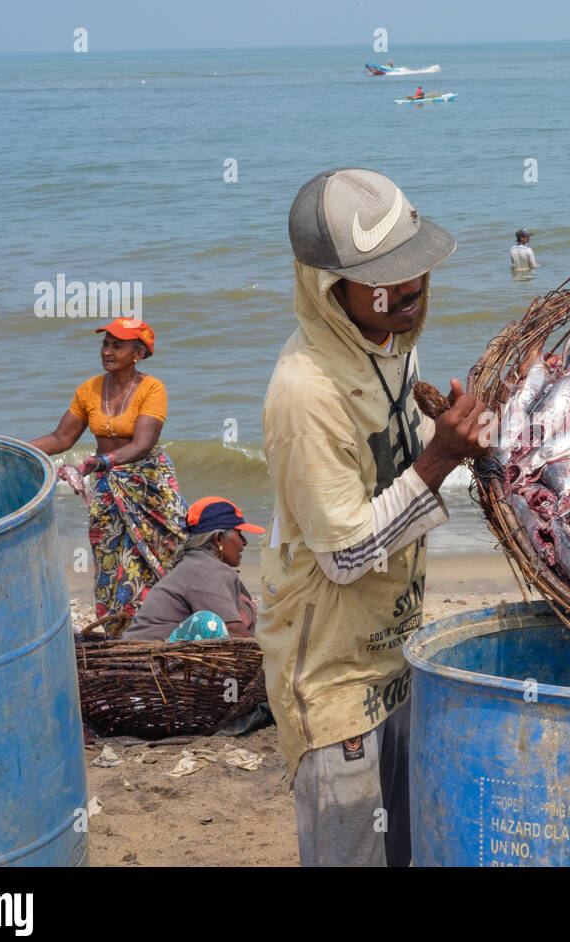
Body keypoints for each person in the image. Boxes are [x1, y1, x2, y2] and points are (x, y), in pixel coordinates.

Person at [259, 168, 489, 867]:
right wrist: (440, 458)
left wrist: (449, 436)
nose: (410, 289)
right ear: (330, 289)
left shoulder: (389, 345)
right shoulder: (306, 392)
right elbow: (346, 554)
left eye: (414, 267)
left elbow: (397, 464)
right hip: (330, 679)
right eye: (385, 276)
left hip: (396, 653)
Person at [30, 317, 186, 626]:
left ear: (138, 353)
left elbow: (143, 443)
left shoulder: (152, 389)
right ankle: (116, 630)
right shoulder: (88, 390)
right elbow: (62, 438)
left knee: (161, 552)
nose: (107, 352)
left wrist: (102, 462)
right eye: (105, 344)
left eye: (117, 346)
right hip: (106, 488)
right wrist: (16, 449)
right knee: (109, 557)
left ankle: (159, 623)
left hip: (148, 485)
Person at [122, 497, 262, 642]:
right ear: (219, 539)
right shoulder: (207, 571)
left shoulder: (196, 564)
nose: (244, 542)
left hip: (150, 649)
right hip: (153, 653)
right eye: (239, 534)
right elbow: (233, 631)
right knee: (209, 622)